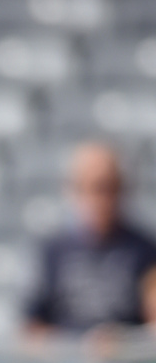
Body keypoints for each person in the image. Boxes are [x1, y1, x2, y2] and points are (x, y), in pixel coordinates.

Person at [25, 143, 156, 335]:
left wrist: (121, 342)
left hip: (128, 361)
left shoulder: (145, 250)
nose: (101, 199)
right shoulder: (53, 251)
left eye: (110, 187)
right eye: (92, 187)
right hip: (68, 361)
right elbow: (32, 328)